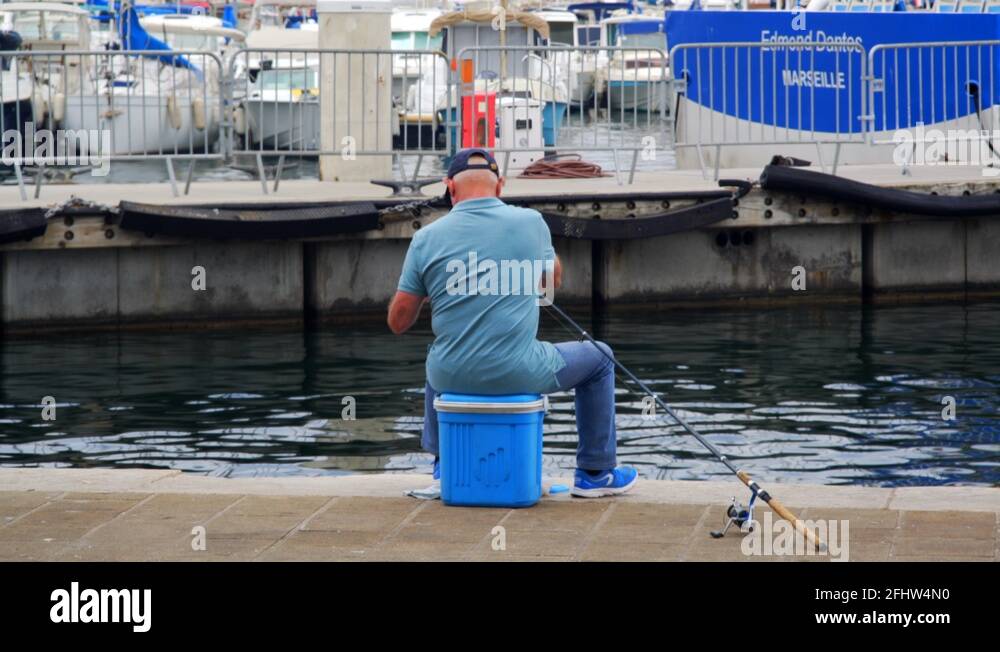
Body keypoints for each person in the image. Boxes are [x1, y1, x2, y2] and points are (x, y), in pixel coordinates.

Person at [387, 148, 637, 498]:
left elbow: (398, 322)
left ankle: (445, 466)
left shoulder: (426, 238)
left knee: (440, 352)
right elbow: (552, 284)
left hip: (451, 375)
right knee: (600, 358)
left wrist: (430, 290)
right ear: (500, 186)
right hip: (520, 370)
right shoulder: (530, 222)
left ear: (449, 188)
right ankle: (596, 473)